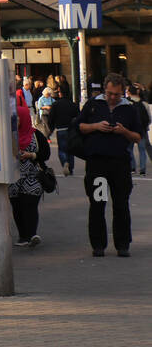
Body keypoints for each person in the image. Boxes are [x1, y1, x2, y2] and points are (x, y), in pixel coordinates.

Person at [76, 72, 141, 257]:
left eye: (117, 94)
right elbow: (79, 126)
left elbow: (137, 137)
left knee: (121, 204)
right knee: (98, 203)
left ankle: (122, 245)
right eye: (110, 93)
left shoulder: (130, 109)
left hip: (120, 164)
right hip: (97, 164)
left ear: (123, 92)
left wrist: (123, 131)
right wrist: (95, 126)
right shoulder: (93, 105)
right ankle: (98, 245)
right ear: (105, 90)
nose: (112, 97)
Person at [10, 90, 44, 248]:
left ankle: (32, 234)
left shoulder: (35, 134)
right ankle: (23, 236)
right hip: (14, 178)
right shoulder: (7, 135)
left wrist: (31, 155)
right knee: (17, 208)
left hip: (32, 177)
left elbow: (45, 153)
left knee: (29, 205)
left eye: (17, 119)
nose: (15, 122)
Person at [50, 79, 79, 176]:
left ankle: (64, 162)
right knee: (71, 149)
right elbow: (78, 117)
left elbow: (51, 118)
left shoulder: (56, 104)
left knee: (62, 149)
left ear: (60, 93)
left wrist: (51, 129)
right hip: (71, 129)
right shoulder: (72, 104)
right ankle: (70, 168)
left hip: (60, 129)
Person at [127, 81, 150, 176]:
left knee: (129, 148)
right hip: (142, 130)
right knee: (142, 150)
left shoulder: (126, 102)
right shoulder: (144, 103)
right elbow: (149, 118)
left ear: (128, 92)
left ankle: (132, 168)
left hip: (130, 129)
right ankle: (142, 170)